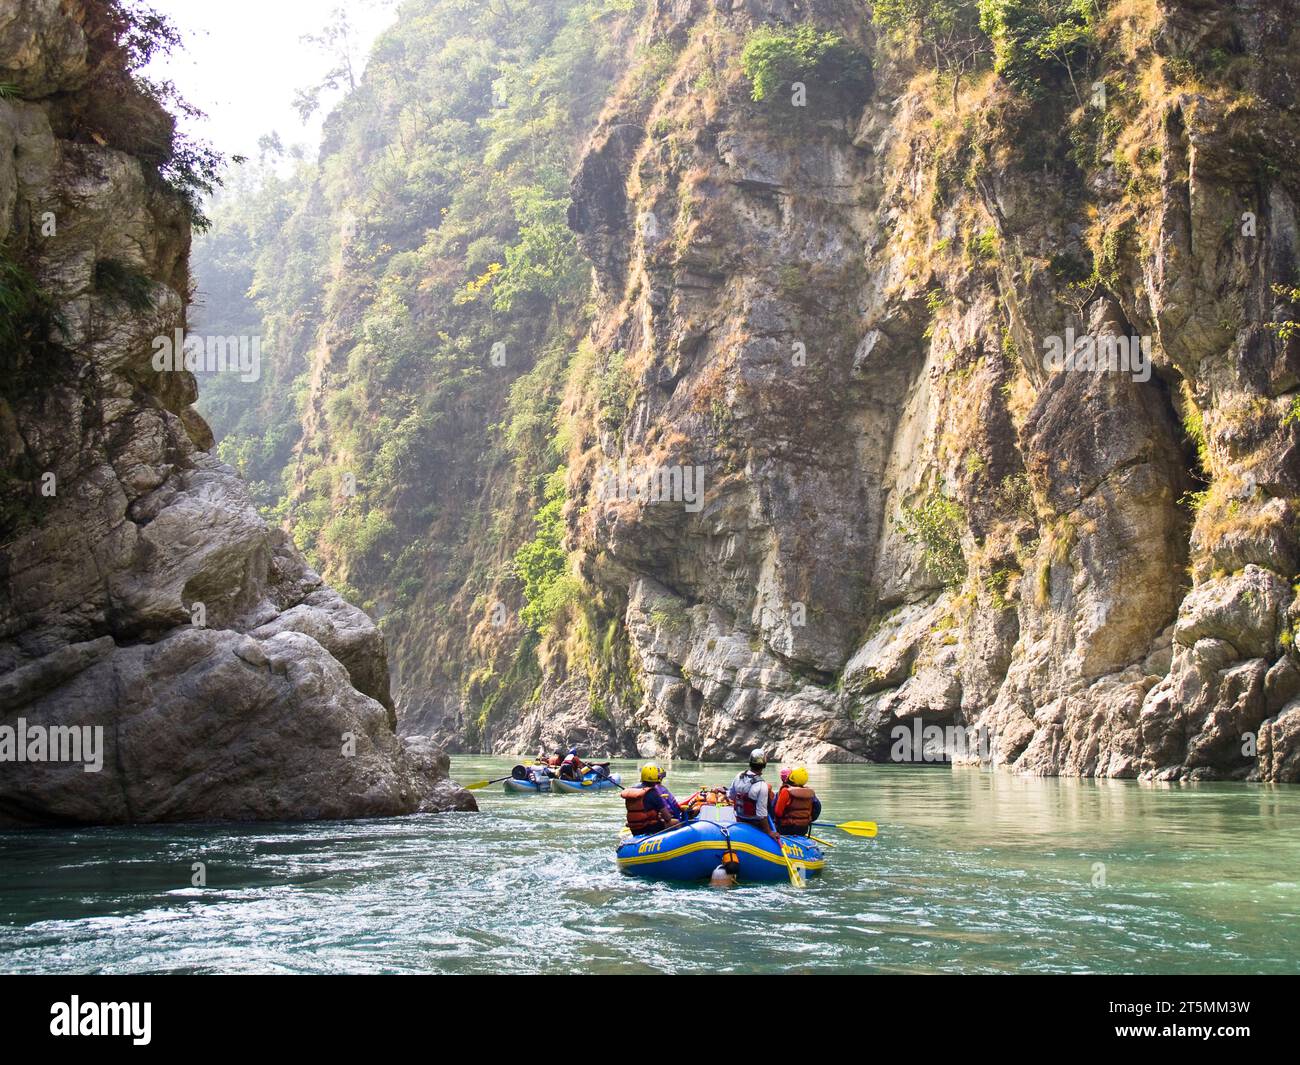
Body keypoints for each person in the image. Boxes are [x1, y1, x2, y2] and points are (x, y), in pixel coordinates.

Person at [728, 748, 781, 846]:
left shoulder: (739, 776)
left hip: (739, 820)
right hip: (754, 824)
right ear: (764, 765)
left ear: (750, 762)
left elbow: (731, 796)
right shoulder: (762, 785)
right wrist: (769, 832)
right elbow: (761, 815)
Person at [621, 763, 681, 835]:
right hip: (649, 828)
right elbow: (667, 817)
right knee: (676, 823)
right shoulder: (653, 793)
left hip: (634, 829)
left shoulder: (633, 790)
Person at [772, 765, 821, 836]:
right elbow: (817, 808)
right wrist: (808, 819)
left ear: (791, 777)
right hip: (803, 829)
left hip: (785, 829)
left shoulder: (786, 791)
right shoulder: (810, 792)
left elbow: (777, 813)